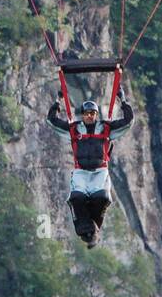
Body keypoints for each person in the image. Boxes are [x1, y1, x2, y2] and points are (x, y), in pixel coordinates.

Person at [47, 89, 134, 247]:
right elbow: (52, 121)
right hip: (81, 171)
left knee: (101, 197)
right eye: (87, 113)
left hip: (99, 171)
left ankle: (93, 227)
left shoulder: (106, 129)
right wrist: (57, 101)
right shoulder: (74, 129)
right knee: (77, 198)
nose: (90, 116)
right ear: (82, 115)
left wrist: (123, 100)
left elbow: (128, 121)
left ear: (96, 114)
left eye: (93, 113)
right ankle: (84, 229)